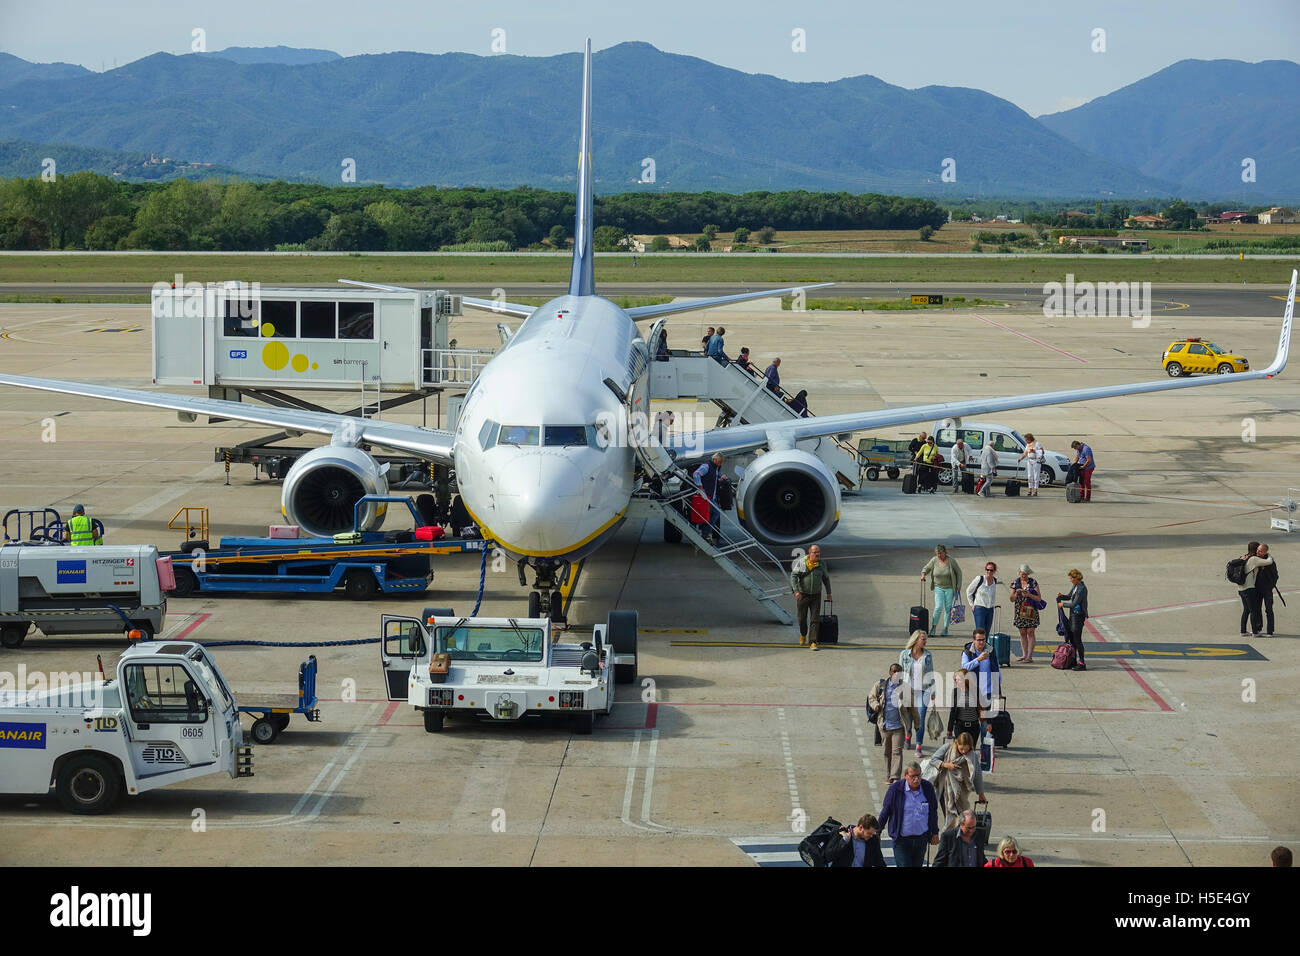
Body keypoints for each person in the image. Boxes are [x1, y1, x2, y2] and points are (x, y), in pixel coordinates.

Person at [877, 762, 940, 868]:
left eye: (918, 775)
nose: (916, 779)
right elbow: (886, 811)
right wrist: (877, 831)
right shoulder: (895, 789)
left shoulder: (927, 788)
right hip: (901, 840)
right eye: (912, 776)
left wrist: (935, 832)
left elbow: (933, 811)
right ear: (905, 776)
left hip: (921, 840)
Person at [960, 629, 1002, 745]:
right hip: (972, 693)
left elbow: (996, 670)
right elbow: (964, 668)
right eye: (979, 640)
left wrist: (998, 690)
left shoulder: (991, 651)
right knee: (971, 721)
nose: (981, 643)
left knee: (985, 723)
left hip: (987, 692)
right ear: (974, 640)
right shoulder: (968, 652)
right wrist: (978, 659)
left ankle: (984, 747)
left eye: (983, 640)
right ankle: (970, 746)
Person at [898, 630, 936, 757]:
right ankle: (908, 735)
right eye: (923, 639)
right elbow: (900, 672)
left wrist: (933, 690)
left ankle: (918, 745)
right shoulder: (904, 654)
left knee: (920, 718)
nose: (925, 641)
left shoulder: (928, 655)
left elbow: (931, 673)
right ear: (916, 640)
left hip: (924, 690)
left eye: (925, 639)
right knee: (907, 717)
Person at [790, 544, 832, 649]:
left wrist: (829, 593)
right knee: (801, 619)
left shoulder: (821, 564)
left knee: (815, 619)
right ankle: (803, 634)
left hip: (816, 595)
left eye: (818, 552)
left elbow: (826, 579)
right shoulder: (802, 562)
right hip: (803, 595)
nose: (817, 554)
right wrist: (796, 591)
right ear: (810, 553)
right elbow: (794, 576)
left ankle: (813, 641)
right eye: (815, 552)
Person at [870, 664, 906, 782]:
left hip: (899, 726)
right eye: (894, 671)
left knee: (897, 752)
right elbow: (871, 697)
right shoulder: (880, 685)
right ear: (890, 672)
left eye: (898, 672)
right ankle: (888, 775)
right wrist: (876, 705)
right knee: (887, 752)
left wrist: (916, 724)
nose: (896, 674)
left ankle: (895, 777)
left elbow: (912, 708)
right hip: (884, 725)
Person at [921, 544, 963, 636]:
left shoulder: (951, 561)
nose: (939, 555)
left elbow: (959, 572)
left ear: (945, 552)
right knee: (938, 607)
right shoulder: (934, 560)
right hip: (938, 587)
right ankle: (934, 627)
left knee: (948, 609)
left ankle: (945, 629)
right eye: (937, 553)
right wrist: (923, 574)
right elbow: (926, 568)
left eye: (940, 553)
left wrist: (958, 585)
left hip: (950, 588)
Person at [1237, 540, 1274, 637]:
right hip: (1249, 588)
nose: (1258, 552)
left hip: (1240, 588)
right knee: (1253, 610)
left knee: (1246, 610)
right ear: (1255, 549)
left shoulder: (1243, 558)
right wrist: (1269, 554)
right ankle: (1255, 632)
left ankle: (1243, 631)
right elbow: (1269, 561)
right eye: (1257, 549)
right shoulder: (1253, 559)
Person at [692, 452, 729, 544]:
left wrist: (721, 477)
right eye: (720, 462)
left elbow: (713, 477)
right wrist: (700, 487)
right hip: (706, 496)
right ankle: (706, 532)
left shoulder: (714, 467)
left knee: (710, 514)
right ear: (714, 460)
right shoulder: (706, 466)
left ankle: (705, 531)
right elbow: (696, 474)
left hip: (711, 496)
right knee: (715, 513)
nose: (721, 464)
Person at [1057, 568, 1089, 671]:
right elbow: (1069, 596)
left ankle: (1082, 662)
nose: (1070, 580)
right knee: (1073, 639)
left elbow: (1074, 603)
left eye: (1071, 578)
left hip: (1078, 617)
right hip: (1073, 616)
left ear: (1076, 578)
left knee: (1077, 640)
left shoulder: (1081, 589)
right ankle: (1074, 660)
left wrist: (1063, 604)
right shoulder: (1075, 586)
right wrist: (1062, 596)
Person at [1010, 563, 1043, 662]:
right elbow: (1011, 599)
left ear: (1028, 574)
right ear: (1019, 573)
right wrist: (1016, 593)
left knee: (1030, 631)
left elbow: (1038, 598)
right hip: (1019, 611)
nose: (1023, 575)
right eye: (1022, 573)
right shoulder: (1015, 583)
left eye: (1025, 574)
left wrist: (1029, 594)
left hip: (1031, 610)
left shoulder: (1033, 583)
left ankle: (1029, 656)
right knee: (1022, 632)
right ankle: (1024, 655)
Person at [946, 669, 983, 743]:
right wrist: (949, 729)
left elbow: (983, 707)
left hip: (974, 726)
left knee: (971, 750)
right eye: (955, 679)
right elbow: (953, 711)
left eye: (958, 680)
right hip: (960, 726)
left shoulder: (976, 691)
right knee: (961, 750)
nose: (956, 681)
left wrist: (988, 723)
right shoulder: (955, 692)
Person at [965, 561, 999, 636]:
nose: (989, 571)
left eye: (991, 570)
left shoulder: (994, 581)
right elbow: (968, 591)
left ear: (994, 571)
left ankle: (984, 647)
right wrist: (972, 605)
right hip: (980, 608)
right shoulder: (979, 579)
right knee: (980, 632)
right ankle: (977, 647)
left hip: (990, 609)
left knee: (986, 633)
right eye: (987, 569)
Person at [1255, 543, 1279, 637]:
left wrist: (1270, 587)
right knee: (1257, 609)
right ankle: (1258, 628)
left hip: (1267, 590)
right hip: (1257, 589)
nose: (1258, 552)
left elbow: (1275, 576)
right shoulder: (1255, 559)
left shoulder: (1270, 562)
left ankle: (1270, 631)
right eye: (1257, 550)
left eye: (1260, 551)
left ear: (1265, 552)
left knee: (1269, 610)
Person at [1018, 432, 1045, 497]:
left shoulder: (1037, 444)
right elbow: (1025, 453)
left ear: (1030, 439)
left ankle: (1035, 491)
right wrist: (1020, 458)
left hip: (1036, 460)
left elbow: (1042, 452)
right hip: (1029, 460)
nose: (1026, 441)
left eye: (1026, 439)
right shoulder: (1027, 445)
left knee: (1036, 476)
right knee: (1030, 476)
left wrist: (1034, 451)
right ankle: (1030, 490)